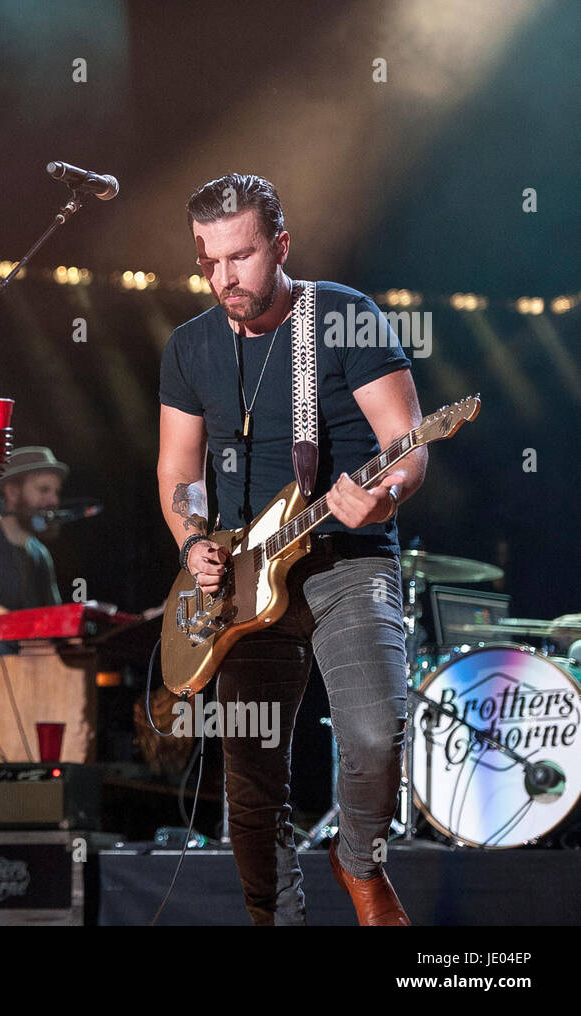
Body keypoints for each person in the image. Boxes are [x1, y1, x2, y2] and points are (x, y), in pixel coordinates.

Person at [156, 175, 426, 925]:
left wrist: (385, 494)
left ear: (280, 245)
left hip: (346, 559)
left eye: (240, 257)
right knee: (251, 786)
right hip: (241, 585)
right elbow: (179, 470)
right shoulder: (189, 346)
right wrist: (193, 540)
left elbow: (405, 446)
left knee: (375, 732)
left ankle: (359, 862)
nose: (224, 278)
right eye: (208, 261)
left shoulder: (343, 317)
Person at [0, 446, 66, 612]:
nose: (54, 500)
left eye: (56, 492)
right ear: (12, 492)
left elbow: (53, 617)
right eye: (44, 489)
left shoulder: (40, 555)